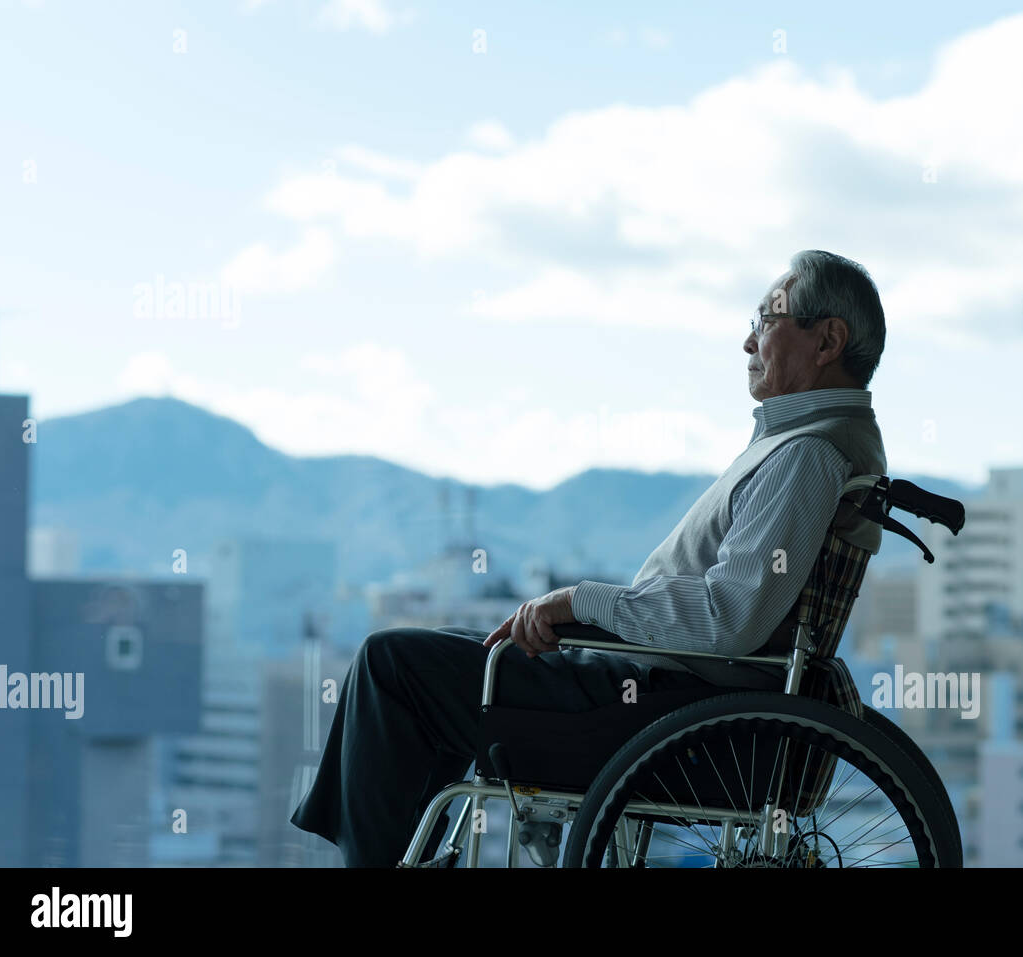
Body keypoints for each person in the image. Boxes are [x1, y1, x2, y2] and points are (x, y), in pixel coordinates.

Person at [289, 249, 888, 866]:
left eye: (767, 317)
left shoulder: (807, 456)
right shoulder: (812, 445)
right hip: (678, 699)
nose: (748, 340)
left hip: (668, 710)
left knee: (393, 665)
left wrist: (582, 600)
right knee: (442, 656)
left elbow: (730, 618)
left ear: (827, 341)